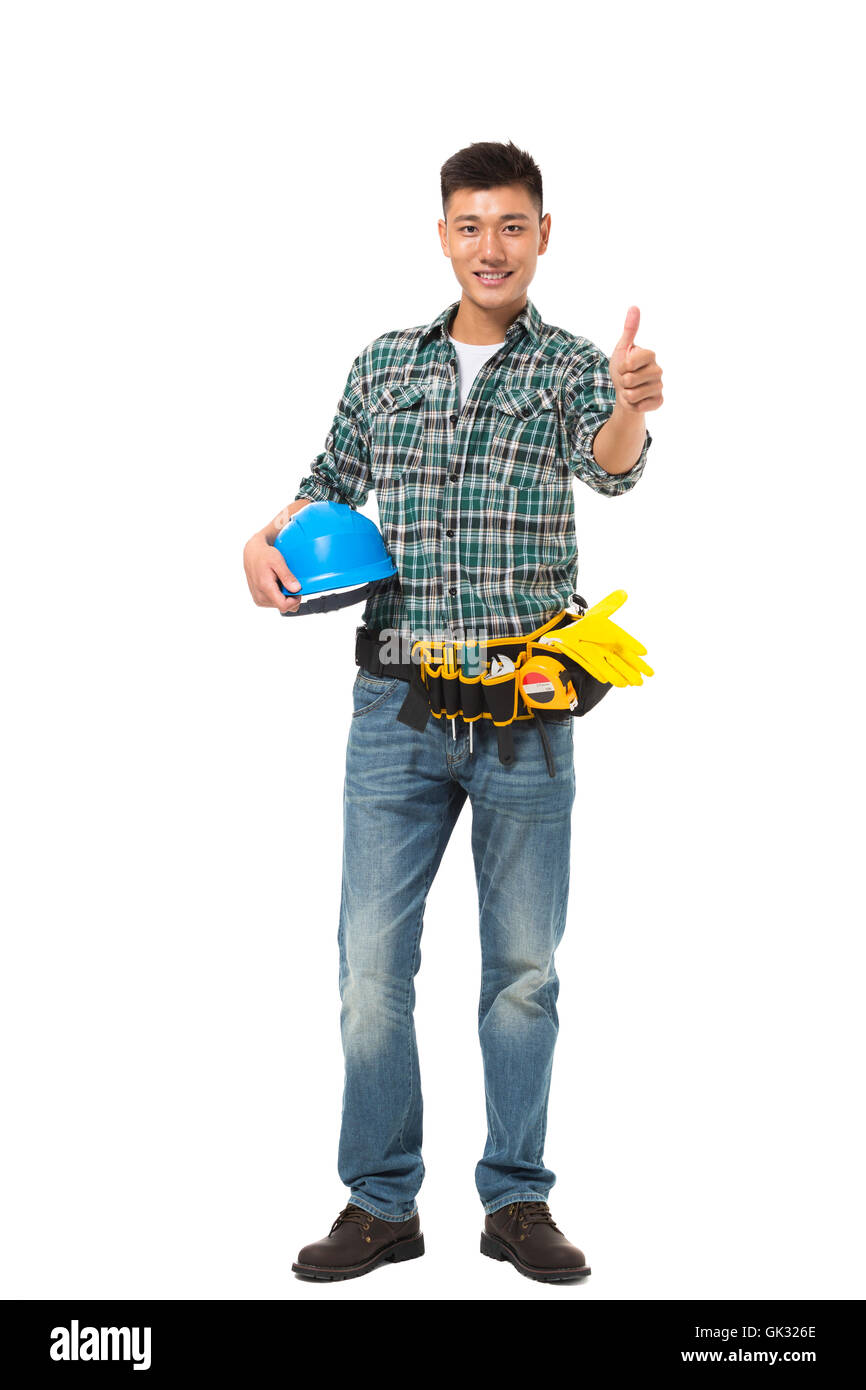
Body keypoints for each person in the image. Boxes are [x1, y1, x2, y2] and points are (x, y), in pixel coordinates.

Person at [243, 140, 663, 1283]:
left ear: (541, 235)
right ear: (442, 235)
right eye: (470, 225)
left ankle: (515, 1201)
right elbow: (326, 484)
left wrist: (627, 406)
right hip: (395, 710)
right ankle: (380, 1204)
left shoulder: (571, 366)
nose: (491, 246)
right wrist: (257, 541)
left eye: (512, 225)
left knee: (522, 972)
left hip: (526, 712)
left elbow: (610, 464)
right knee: (369, 969)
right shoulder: (385, 364)